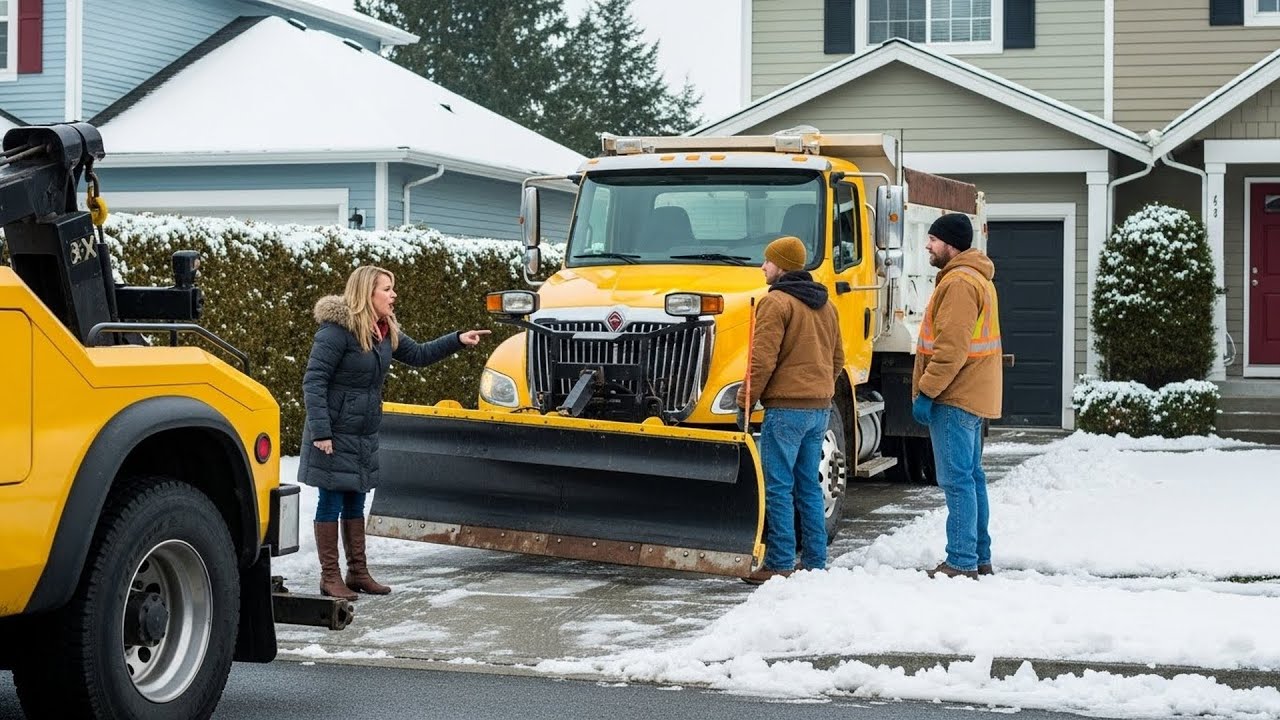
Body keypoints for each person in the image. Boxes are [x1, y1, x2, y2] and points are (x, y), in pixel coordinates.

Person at [299, 265, 490, 600]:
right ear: (366, 294)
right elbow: (314, 382)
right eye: (386, 288)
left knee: (356, 499)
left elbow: (418, 355)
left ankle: (357, 572)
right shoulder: (335, 332)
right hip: (333, 432)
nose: (393, 294)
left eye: (392, 288)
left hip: (363, 433)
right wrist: (321, 432)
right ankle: (330, 577)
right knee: (330, 500)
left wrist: (457, 339)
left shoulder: (383, 331)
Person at [737, 235, 844, 585]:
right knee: (808, 486)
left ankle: (780, 560)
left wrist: (745, 400)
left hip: (785, 411)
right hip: (819, 409)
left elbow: (762, 360)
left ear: (781, 265)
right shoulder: (826, 306)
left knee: (778, 486)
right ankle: (814, 560)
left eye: (767, 261)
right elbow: (838, 359)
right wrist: (820, 389)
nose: (762, 267)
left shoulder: (777, 303)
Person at [911, 213, 1003, 580]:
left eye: (933, 239)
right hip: (970, 393)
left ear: (951, 244)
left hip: (955, 396)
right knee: (972, 477)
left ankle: (962, 560)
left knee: (957, 480)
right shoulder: (973, 277)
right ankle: (979, 556)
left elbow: (951, 349)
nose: (928, 246)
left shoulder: (961, 283)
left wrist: (927, 391)